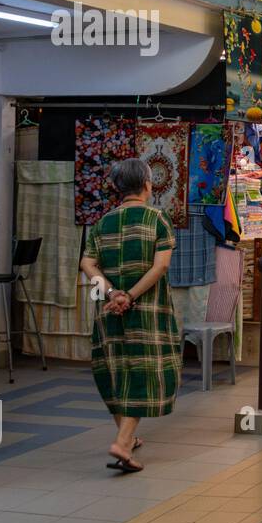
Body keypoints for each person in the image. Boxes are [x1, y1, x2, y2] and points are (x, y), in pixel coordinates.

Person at [79, 158, 182, 473]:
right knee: (144, 373)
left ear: (117, 188)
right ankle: (122, 443)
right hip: (148, 314)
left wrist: (112, 294)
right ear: (148, 186)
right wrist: (131, 296)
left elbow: (87, 264)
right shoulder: (157, 219)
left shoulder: (103, 222)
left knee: (115, 372)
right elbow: (161, 266)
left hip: (109, 312)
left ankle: (128, 435)